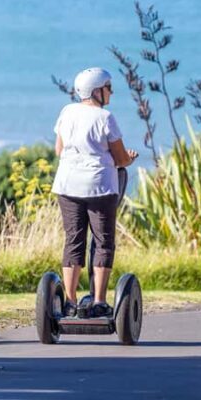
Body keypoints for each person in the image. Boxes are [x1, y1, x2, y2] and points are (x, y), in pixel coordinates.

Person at [52, 67, 137, 318]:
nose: (111, 92)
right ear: (97, 91)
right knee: (103, 241)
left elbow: (59, 150)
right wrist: (128, 159)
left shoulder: (67, 112)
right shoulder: (105, 117)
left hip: (67, 186)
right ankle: (99, 300)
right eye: (108, 87)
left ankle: (69, 301)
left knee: (73, 240)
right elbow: (120, 158)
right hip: (99, 187)